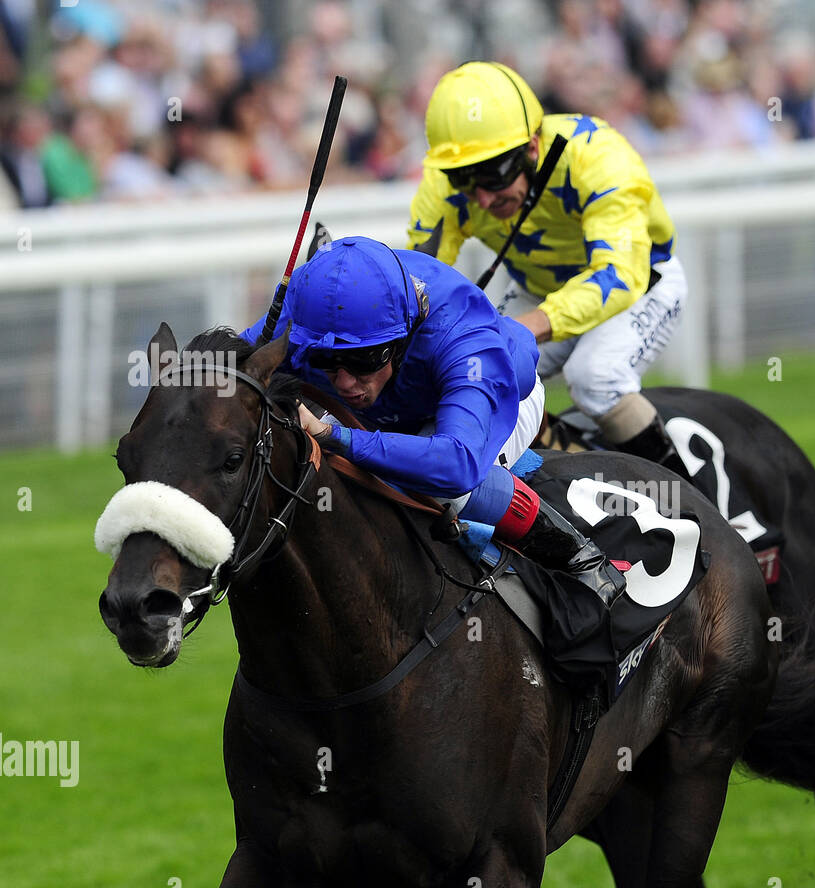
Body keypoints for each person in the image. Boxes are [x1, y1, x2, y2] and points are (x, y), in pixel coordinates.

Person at [239, 235, 626, 607]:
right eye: (326, 362)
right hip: (394, 406)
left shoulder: (465, 341)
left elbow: (456, 463)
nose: (343, 382)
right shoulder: (310, 309)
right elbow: (227, 373)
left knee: (431, 484)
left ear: (403, 338)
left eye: (361, 362)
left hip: (489, 402)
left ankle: (583, 560)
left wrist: (334, 436)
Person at [407, 61, 689, 477]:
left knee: (594, 377)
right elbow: (421, 278)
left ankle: (690, 497)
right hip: (538, 287)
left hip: (641, 283)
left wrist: (528, 326)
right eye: (464, 180)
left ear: (532, 148)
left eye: (492, 175)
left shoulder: (600, 157)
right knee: (470, 373)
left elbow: (618, 274)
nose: (482, 198)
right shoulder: (442, 183)